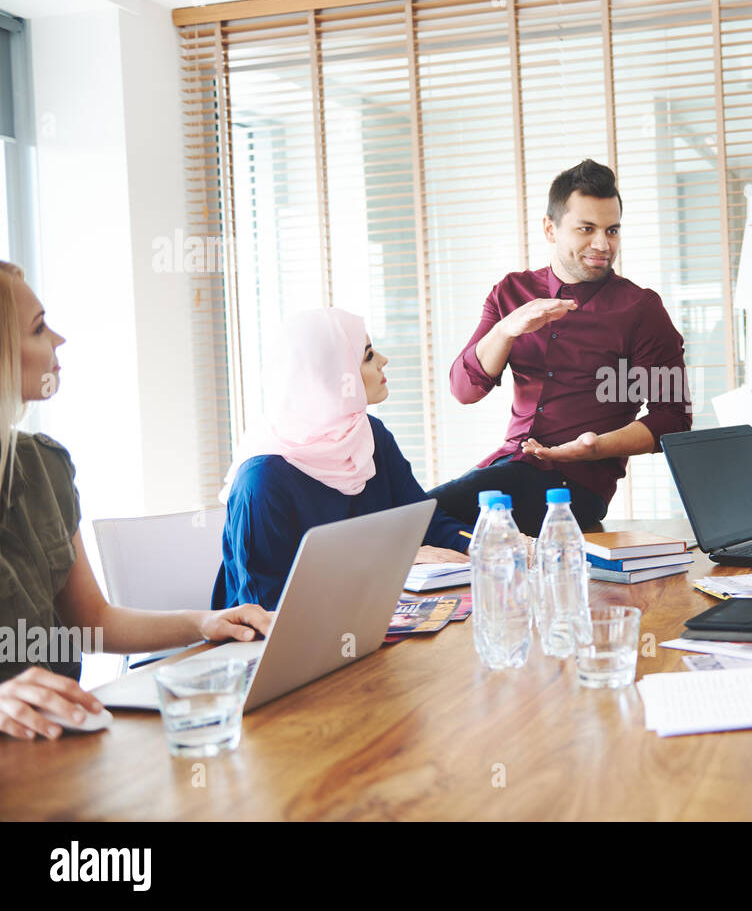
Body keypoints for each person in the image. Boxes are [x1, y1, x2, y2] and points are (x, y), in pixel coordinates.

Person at [0, 260, 269, 740]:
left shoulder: (44, 467)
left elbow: (92, 621)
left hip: (63, 744)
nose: (58, 340)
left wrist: (205, 622)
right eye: (39, 328)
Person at [432, 159, 692, 535]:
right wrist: (507, 329)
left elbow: (674, 419)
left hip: (575, 487)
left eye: (612, 230)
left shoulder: (640, 309)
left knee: (417, 517)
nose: (603, 244)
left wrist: (595, 447)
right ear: (550, 229)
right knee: (410, 516)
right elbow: (464, 390)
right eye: (587, 229)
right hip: (509, 465)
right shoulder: (511, 292)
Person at [212, 308, 471, 611]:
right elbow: (266, 607)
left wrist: (485, 544)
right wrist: (391, 558)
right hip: (274, 644)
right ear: (329, 375)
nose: (384, 360)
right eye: (368, 356)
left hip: (366, 618)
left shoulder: (370, 435)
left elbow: (425, 523)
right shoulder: (261, 480)